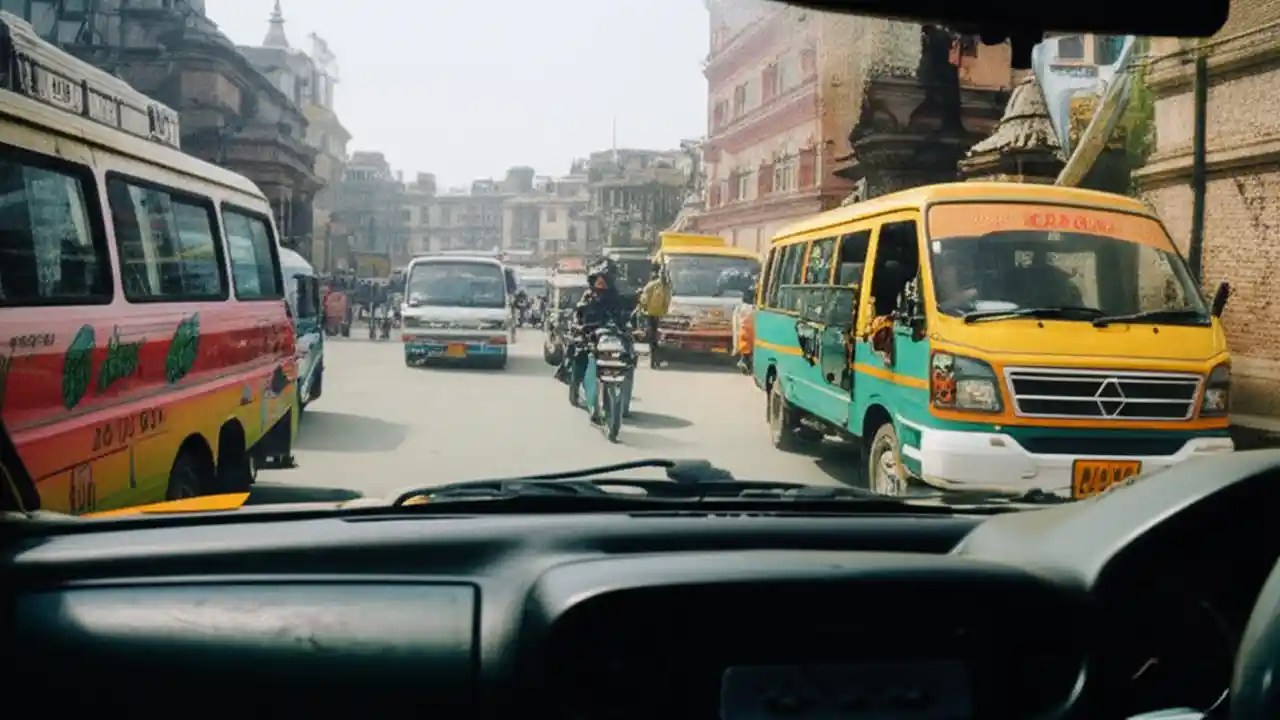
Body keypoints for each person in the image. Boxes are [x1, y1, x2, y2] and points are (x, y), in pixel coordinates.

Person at [556, 258, 632, 386]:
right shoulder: (588, 296)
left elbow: (624, 317)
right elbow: (578, 314)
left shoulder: (616, 297)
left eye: (604, 280)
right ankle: (567, 374)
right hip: (590, 335)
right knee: (575, 349)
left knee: (628, 349)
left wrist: (626, 328)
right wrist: (579, 326)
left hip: (612, 335)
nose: (601, 283)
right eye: (598, 279)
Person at [636, 261, 672, 370]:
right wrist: (642, 309)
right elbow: (644, 299)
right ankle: (654, 362)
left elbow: (668, 301)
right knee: (653, 340)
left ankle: (657, 361)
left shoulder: (667, 287)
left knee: (660, 341)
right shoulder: (652, 286)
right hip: (651, 316)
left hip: (662, 316)